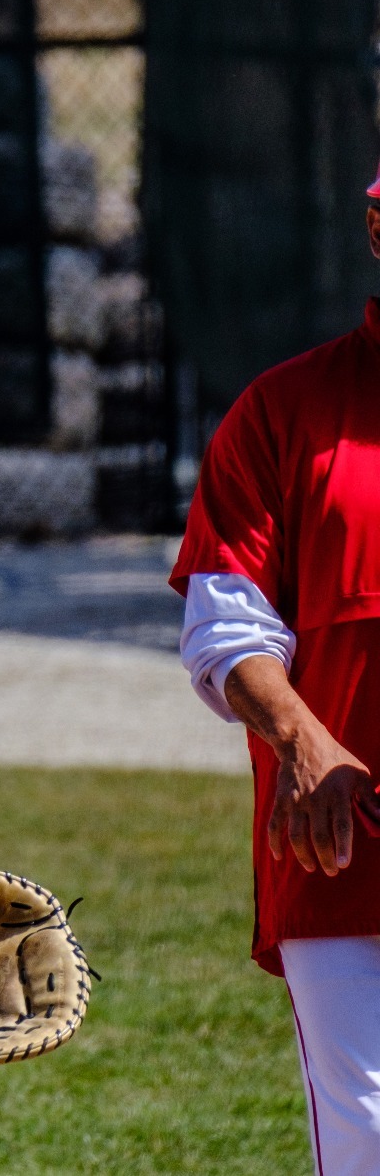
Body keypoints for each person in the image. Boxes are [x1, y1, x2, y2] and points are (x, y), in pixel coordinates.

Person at [171, 163, 380, 1174]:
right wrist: (299, 733)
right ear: (375, 231)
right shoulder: (280, 413)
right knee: (366, 1134)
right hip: (336, 849)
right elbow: (223, 627)